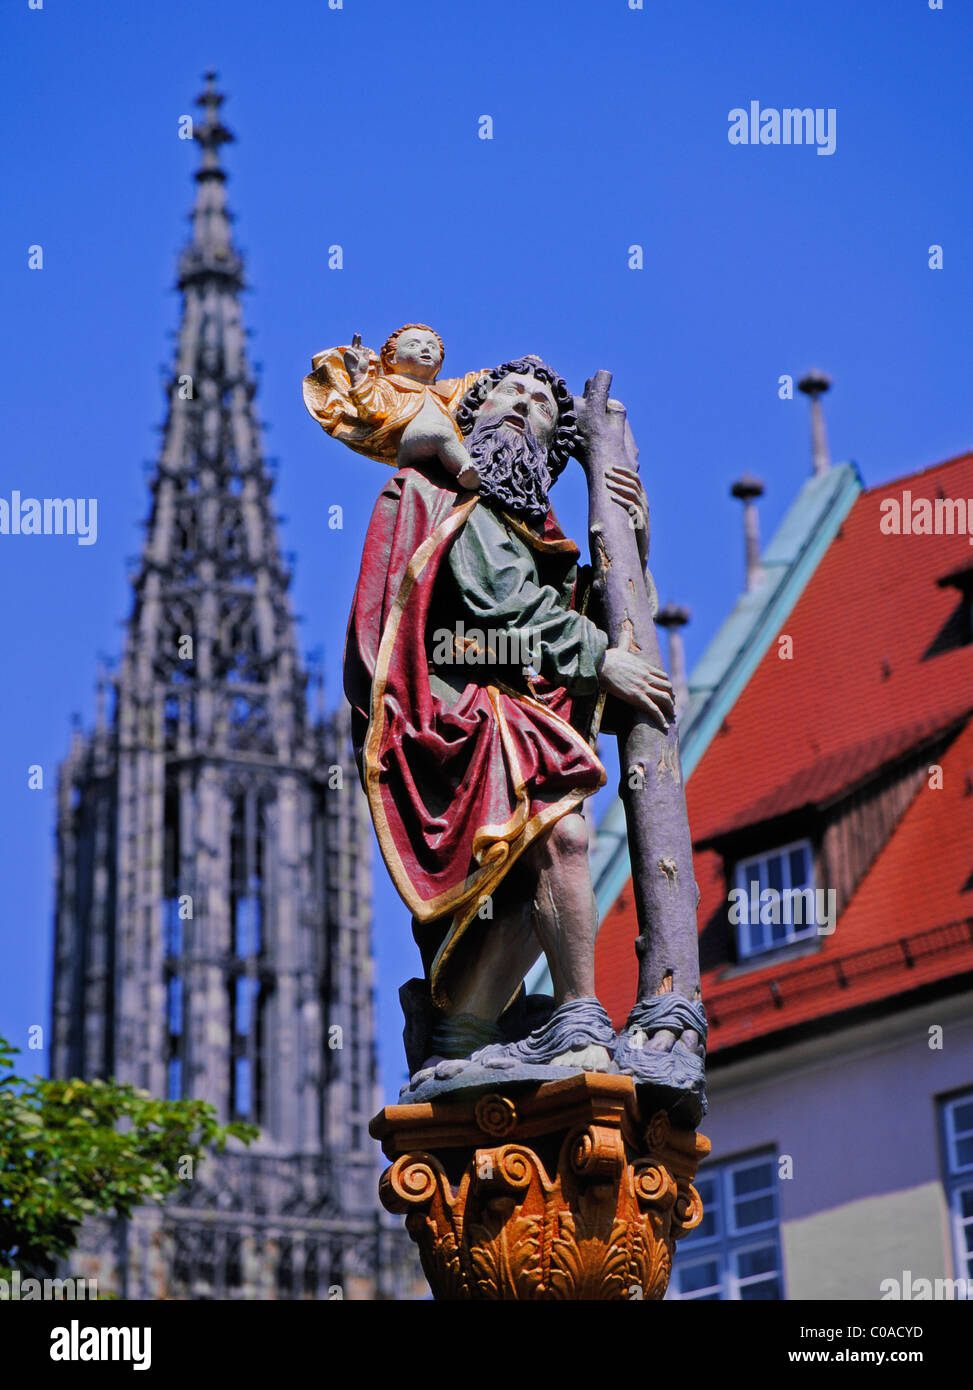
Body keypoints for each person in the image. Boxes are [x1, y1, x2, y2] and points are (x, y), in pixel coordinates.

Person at [342, 354, 678, 1086]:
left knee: (545, 861)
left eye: (543, 407)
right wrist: (600, 657)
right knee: (558, 836)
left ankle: (474, 1031)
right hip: (452, 715)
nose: (524, 406)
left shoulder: (536, 531)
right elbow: (497, 603)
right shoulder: (444, 496)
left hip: (512, 715)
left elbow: (598, 623)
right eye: (510, 394)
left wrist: (632, 544)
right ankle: (572, 1014)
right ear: (472, 415)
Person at [302, 323, 485, 487]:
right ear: (392, 359)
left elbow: (482, 382)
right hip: (414, 442)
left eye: (432, 346)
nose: (425, 349)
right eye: (413, 345)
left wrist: (509, 371)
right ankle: (467, 474)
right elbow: (372, 411)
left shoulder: (450, 389)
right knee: (440, 434)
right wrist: (359, 377)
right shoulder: (389, 385)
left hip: (451, 444)